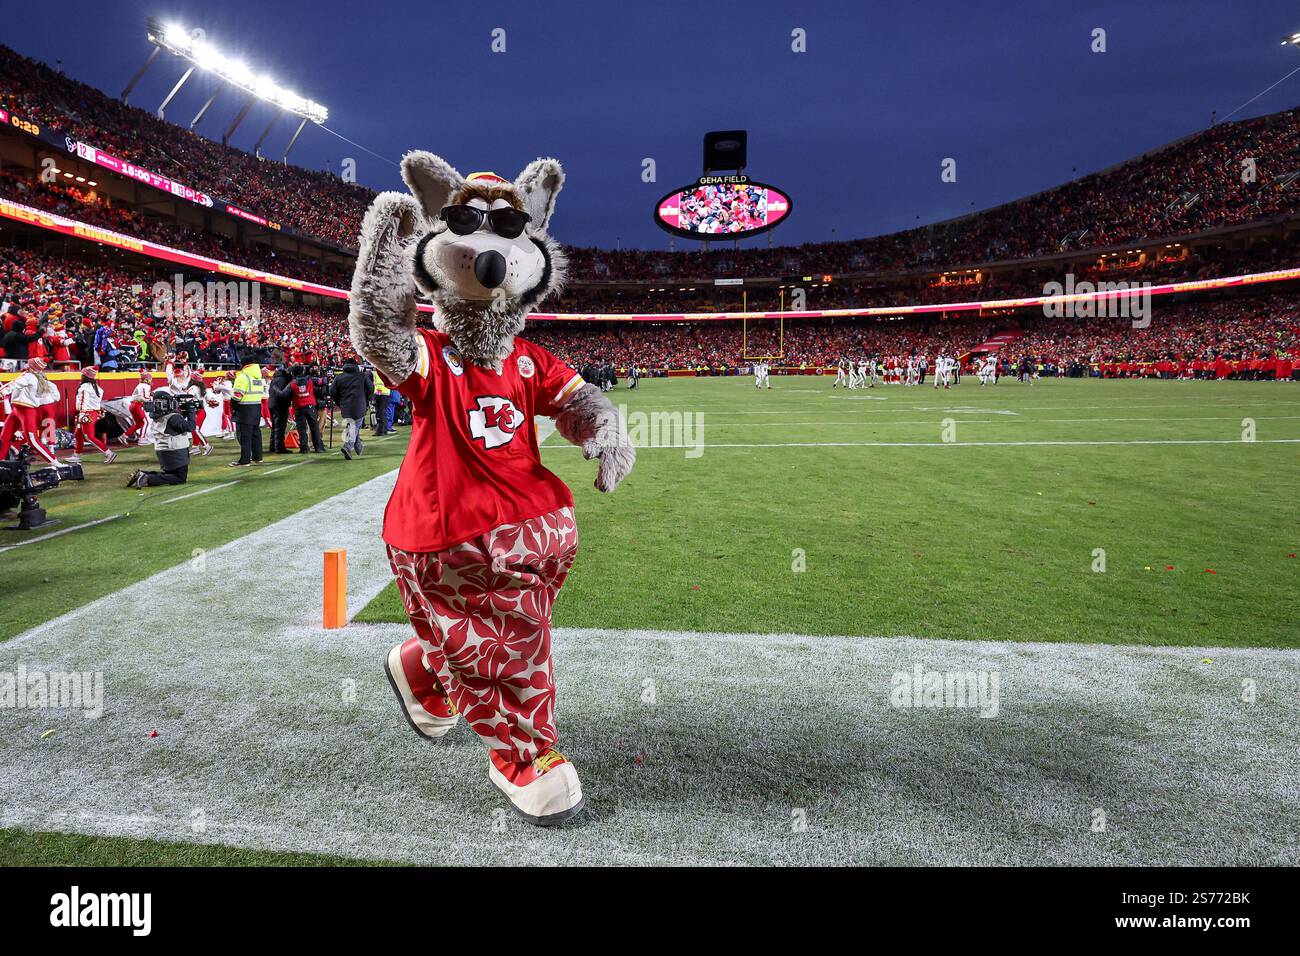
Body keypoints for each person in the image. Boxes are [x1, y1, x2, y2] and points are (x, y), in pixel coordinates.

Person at [125, 390, 196, 488]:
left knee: (170, 474)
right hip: (175, 450)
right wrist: (191, 410)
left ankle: (142, 474)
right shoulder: (173, 418)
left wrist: (184, 411)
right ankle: (147, 478)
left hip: (163, 450)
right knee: (179, 478)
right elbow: (190, 427)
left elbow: (177, 422)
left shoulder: (158, 417)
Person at [0, 357, 59, 463]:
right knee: (5, 436)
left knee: (33, 441)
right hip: (18, 409)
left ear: (31, 366)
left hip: (26, 410)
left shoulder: (28, 376)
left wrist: (2, 392)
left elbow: (13, 384)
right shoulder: (37, 377)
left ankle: (54, 462)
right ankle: (1, 461)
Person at [69, 366, 117, 464]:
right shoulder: (98, 388)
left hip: (86, 413)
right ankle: (77, 454)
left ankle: (109, 453)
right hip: (93, 412)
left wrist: (82, 414)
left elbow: (83, 402)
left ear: (85, 376)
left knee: (89, 436)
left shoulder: (84, 387)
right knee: (78, 433)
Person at [329, 360, 373, 460]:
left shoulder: (339, 377)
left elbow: (332, 391)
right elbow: (371, 388)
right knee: (354, 426)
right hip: (359, 405)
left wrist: (338, 402)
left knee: (353, 425)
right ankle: (347, 447)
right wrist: (366, 397)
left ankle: (358, 447)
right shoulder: (362, 376)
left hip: (345, 406)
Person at [230, 359, 267, 467]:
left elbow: (237, 396)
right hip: (256, 407)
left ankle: (245, 460)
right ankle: (258, 457)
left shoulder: (243, 377)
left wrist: (233, 407)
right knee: (256, 434)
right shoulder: (258, 377)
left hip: (244, 409)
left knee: (244, 436)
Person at [290, 365, 325, 454]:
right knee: (314, 427)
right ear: (303, 371)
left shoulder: (292, 383)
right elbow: (322, 382)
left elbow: (284, 394)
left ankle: (304, 448)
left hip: (298, 407)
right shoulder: (310, 379)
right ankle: (318, 447)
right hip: (310, 405)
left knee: (301, 429)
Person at [267, 366, 294, 454]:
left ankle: (273, 446)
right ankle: (279, 447)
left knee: (275, 427)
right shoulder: (283, 380)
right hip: (280, 405)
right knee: (280, 427)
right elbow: (283, 394)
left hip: (272, 404)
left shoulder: (275, 379)